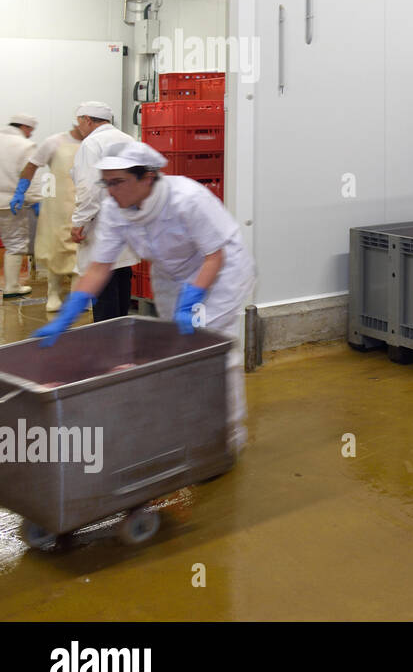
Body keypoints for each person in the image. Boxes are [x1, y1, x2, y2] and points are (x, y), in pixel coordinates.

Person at [34, 141, 254, 456]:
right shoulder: (114, 208)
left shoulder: (187, 198)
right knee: (178, 351)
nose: (110, 191)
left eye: (118, 182)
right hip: (170, 274)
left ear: (147, 177)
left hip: (220, 275)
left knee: (213, 348)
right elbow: (99, 267)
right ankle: (190, 422)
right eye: (106, 182)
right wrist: (67, 315)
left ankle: (228, 435)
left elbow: (214, 256)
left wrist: (192, 300)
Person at [69, 101, 138, 320]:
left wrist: (79, 222)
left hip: (102, 225)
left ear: (87, 120)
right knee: (122, 278)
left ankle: (107, 345)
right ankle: (123, 338)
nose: (79, 128)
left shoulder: (92, 144)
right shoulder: (129, 139)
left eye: (79, 123)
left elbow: (89, 188)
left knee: (103, 288)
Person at [12, 123, 82, 311]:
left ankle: (78, 295)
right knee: (56, 248)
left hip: (83, 201)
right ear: (81, 120)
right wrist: (22, 190)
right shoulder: (54, 142)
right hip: (58, 203)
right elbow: (32, 165)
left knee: (81, 248)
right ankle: (53, 293)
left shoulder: (94, 142)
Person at [0, 113, 41, 297]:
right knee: (15, 244)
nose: (31, 134)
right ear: (25, 127)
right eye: (30, 130)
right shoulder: (25, 146)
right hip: (11, 203)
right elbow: (30, 175)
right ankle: (11, 287)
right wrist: (35, 200)